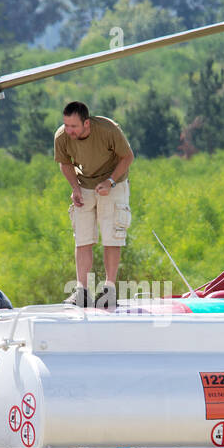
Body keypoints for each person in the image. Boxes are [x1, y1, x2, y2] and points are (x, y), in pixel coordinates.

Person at [54, 101, 134, 309]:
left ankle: (109, 290)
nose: (69, 130)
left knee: (112, 236)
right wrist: (75, 188)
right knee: (82, 238)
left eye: (74, 126)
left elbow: (127, 157)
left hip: (113, 183)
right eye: (66, 125)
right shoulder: (62, 136)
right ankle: (81, 291)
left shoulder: (108, 130)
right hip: (84, 185)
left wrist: (110, 182)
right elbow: (65, 163)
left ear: (86, 123)